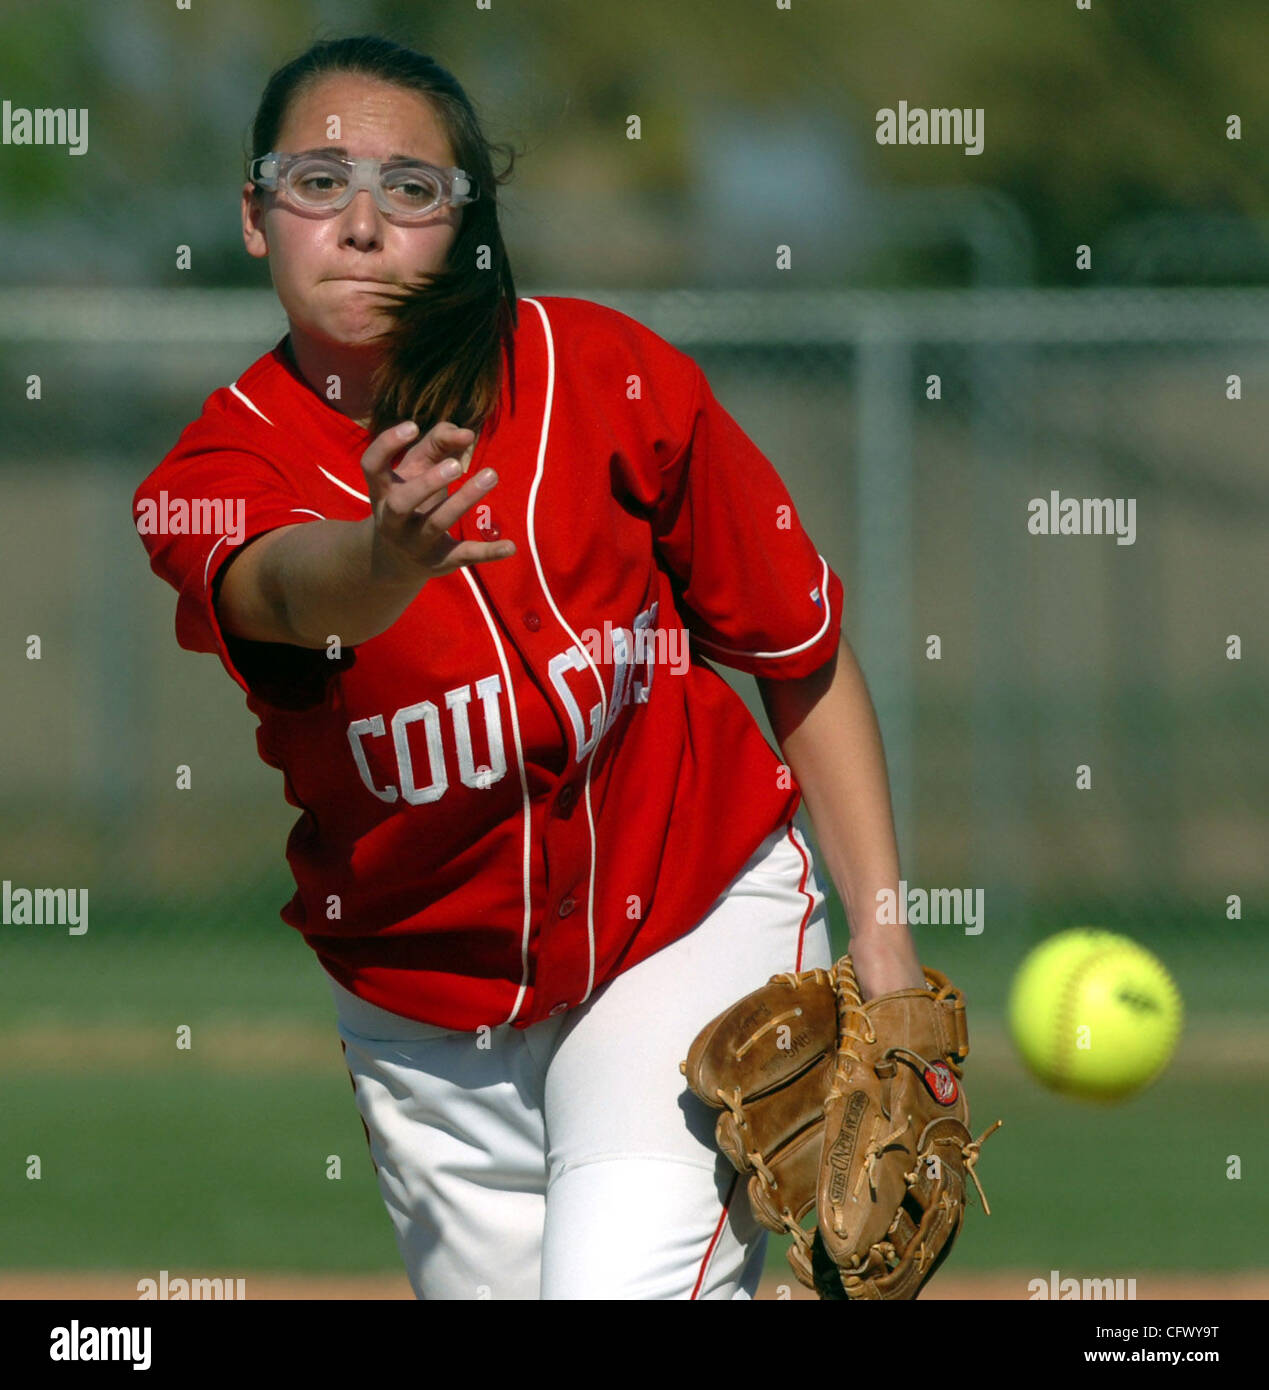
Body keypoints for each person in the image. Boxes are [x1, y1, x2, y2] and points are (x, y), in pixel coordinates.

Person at [134, 34, 927, 1301]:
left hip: (685, 919)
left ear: (467, 225)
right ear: (251, 214)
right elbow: (279, 588)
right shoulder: (212, 472)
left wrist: (884, 946)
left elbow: (799, 652)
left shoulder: (606, 376)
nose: (359, 223)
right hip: (424, 1014)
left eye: (410, 189)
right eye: (316, 180)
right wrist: (389, 557)